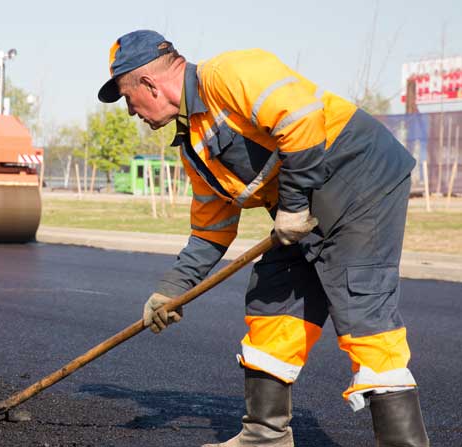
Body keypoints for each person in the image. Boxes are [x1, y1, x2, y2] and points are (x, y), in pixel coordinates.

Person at [98, 30, 429, 446]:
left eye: (128, 98)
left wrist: (293, 205)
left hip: (359, 178)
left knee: (361, 304)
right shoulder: (194, 145)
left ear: (148, 83)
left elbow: (301, 118)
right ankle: (265, 436)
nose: (131, 112)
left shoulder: (228, 74)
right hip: (302, 210)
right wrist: (172, 290)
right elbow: (211, 230)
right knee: (272, 298)